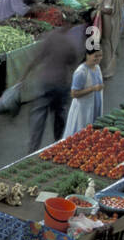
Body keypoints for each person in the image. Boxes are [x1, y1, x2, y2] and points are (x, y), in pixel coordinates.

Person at [21, 18, 85, 153]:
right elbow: (74, 65)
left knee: (38, 117)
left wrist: (23, 77)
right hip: (61, 85)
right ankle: (59, 146)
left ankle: (32, 149)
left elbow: (36, 59)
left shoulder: (49, 37)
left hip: (45, 83)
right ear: (68, 26)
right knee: (59, 116)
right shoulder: (70, 43)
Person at [63, 49, 104, 138]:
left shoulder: (97, 68)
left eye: (100, 55)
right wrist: (93, 88)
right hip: (83, 111)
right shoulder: (81, 72)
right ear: (87, 55)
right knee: (79, 137)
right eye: (96, 56)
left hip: (95, 108)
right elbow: (74, 94)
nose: (99, 58)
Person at [94, 0, 124, 79]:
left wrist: (98, 8)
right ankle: (112, 63)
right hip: (119, 18)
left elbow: (109, 10)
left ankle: (107, 72)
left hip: (111, 20)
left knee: (107, 44)